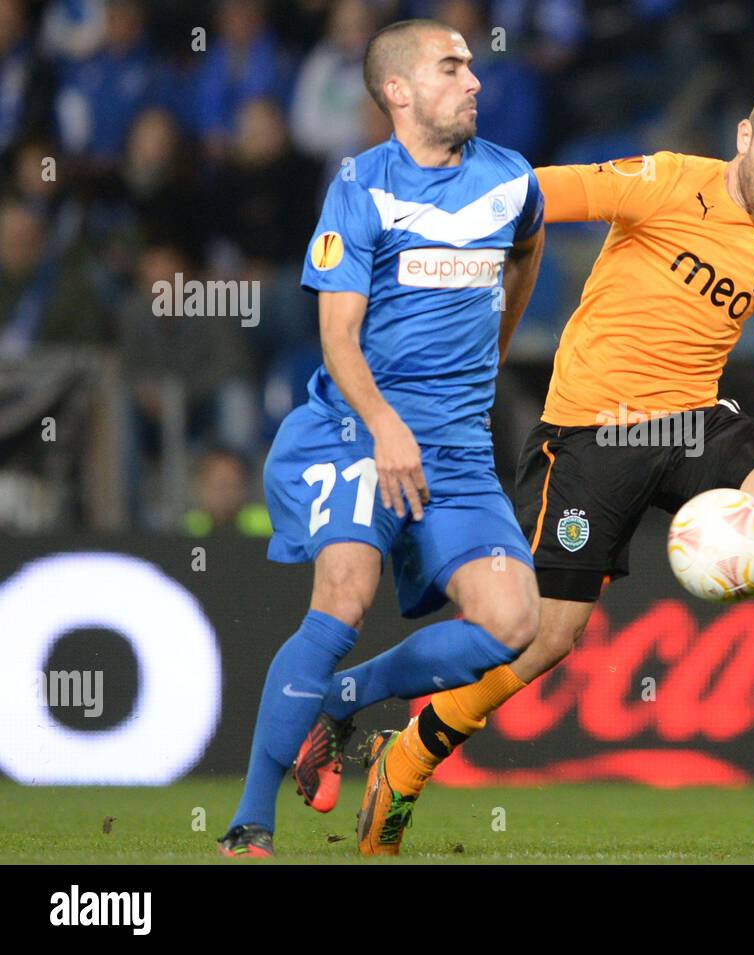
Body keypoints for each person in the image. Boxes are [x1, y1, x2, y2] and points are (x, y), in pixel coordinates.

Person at [298, 67, 754, 856]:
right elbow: (539, 193)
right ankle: (398, 751)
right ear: (746, 137)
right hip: (589, 436)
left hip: (691, 421)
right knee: (540, 638)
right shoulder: (667, 181)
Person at [217, 18, 546, 858]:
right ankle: (250, 823)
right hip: (356, 429)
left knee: (515, 621)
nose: (474, 81)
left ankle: (342, 697)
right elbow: (336, 338)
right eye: (452, 67)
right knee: (345, 594)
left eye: (472, 66)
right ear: (398, 92)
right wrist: (386, 424)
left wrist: (495, 351)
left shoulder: (511, 181)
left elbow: (528, 247)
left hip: (459, 448)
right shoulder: (361, 185)